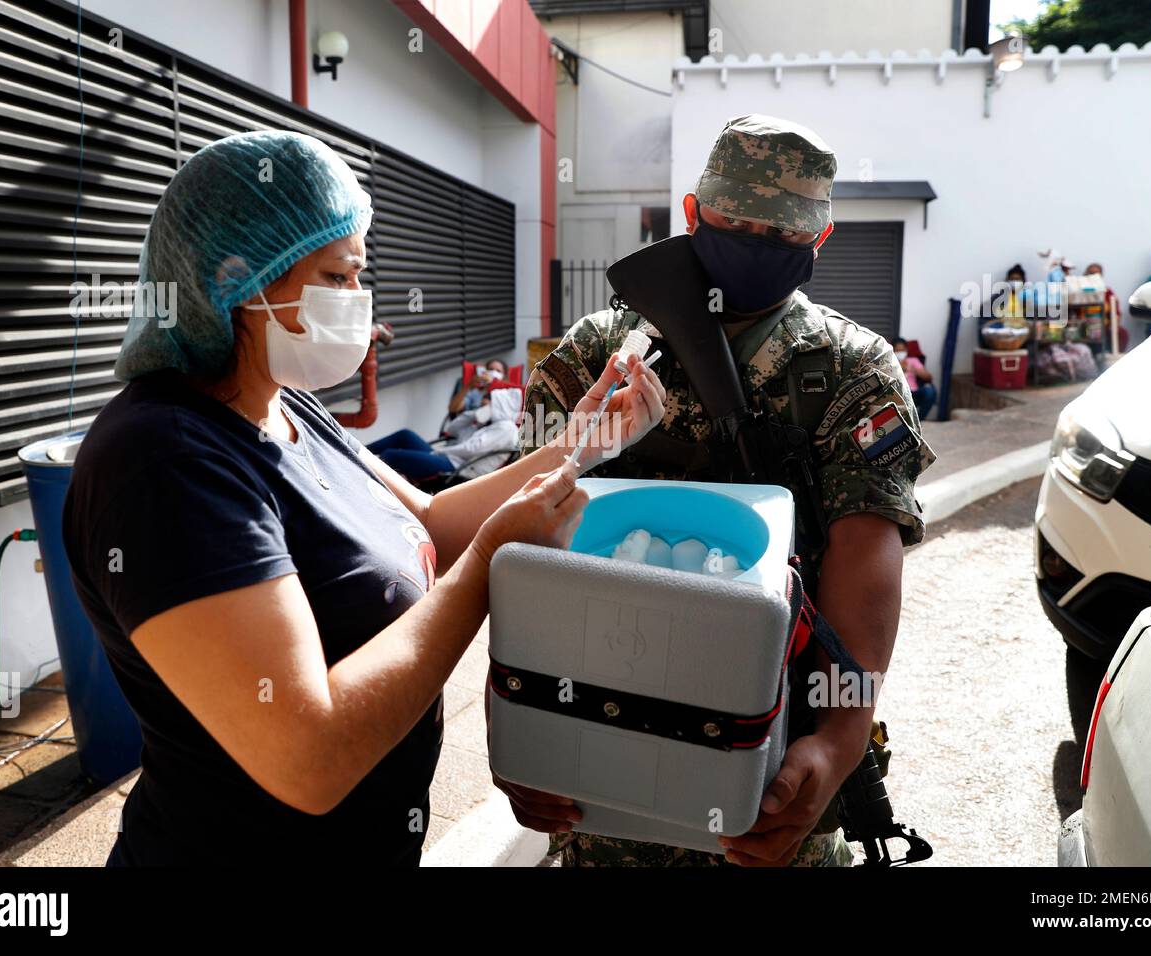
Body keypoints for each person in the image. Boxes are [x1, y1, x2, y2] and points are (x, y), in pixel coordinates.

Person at [61, 130, 666, 867]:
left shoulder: (286, 406)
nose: (359, 301)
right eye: (338, 275)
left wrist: (581, 442)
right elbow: (307, 755)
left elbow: (432, 525)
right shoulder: (162, 461)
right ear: (238, 279)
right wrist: (489, 564)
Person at [504, 114, 936, 867]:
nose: (757, 246)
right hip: (600, 759)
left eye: (783, 237)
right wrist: (514, 728)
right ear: (692, 215)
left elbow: (864, 566)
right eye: (737, 223)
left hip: (771, 773)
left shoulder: (851, 369)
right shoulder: (600, 351)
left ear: (819, 242)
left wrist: (835, 747)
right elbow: (519, 538)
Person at [368, 387, 522, 480]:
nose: (482, 405)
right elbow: (452, 429)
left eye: (486, 403)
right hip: (448, 457)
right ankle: (357, 449)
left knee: (391, 455)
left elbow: (471, 450)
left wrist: (440, 451)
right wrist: (473, 415)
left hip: (458, 468)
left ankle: (360, 466)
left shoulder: (506, 429)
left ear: (499, 406)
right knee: (405, 435)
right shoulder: (485, 423)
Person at [893, 337, 935, 419]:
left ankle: (919, 420)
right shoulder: (890, 362)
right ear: (893, 351)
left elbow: (928, 377)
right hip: (897, 393)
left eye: (902, 350)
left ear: (906, 350)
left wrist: (914, 370)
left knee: (930, 391)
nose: (900, 353)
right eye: (897, 350)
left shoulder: (913, 361)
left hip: (913, 393)